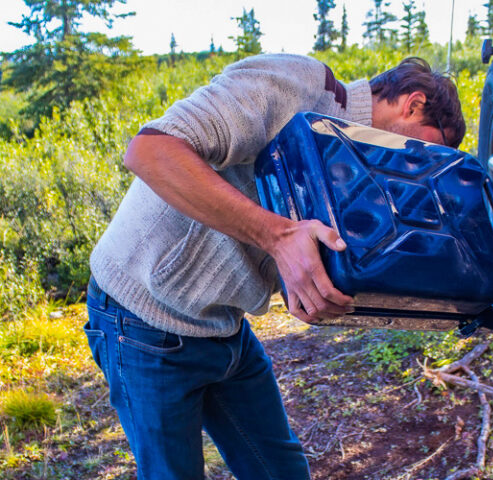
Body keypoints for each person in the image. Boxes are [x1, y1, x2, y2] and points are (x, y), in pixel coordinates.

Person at [84, 53, 465, 480]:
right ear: (412, 104)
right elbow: (151, 152)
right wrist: (279, 239)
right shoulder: (298, 85)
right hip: (142, 319)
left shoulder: (359, 168)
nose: (419, 167)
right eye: (429, 149)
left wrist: (303, 288)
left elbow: (283, 235)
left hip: (224, 326)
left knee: (281, 471)